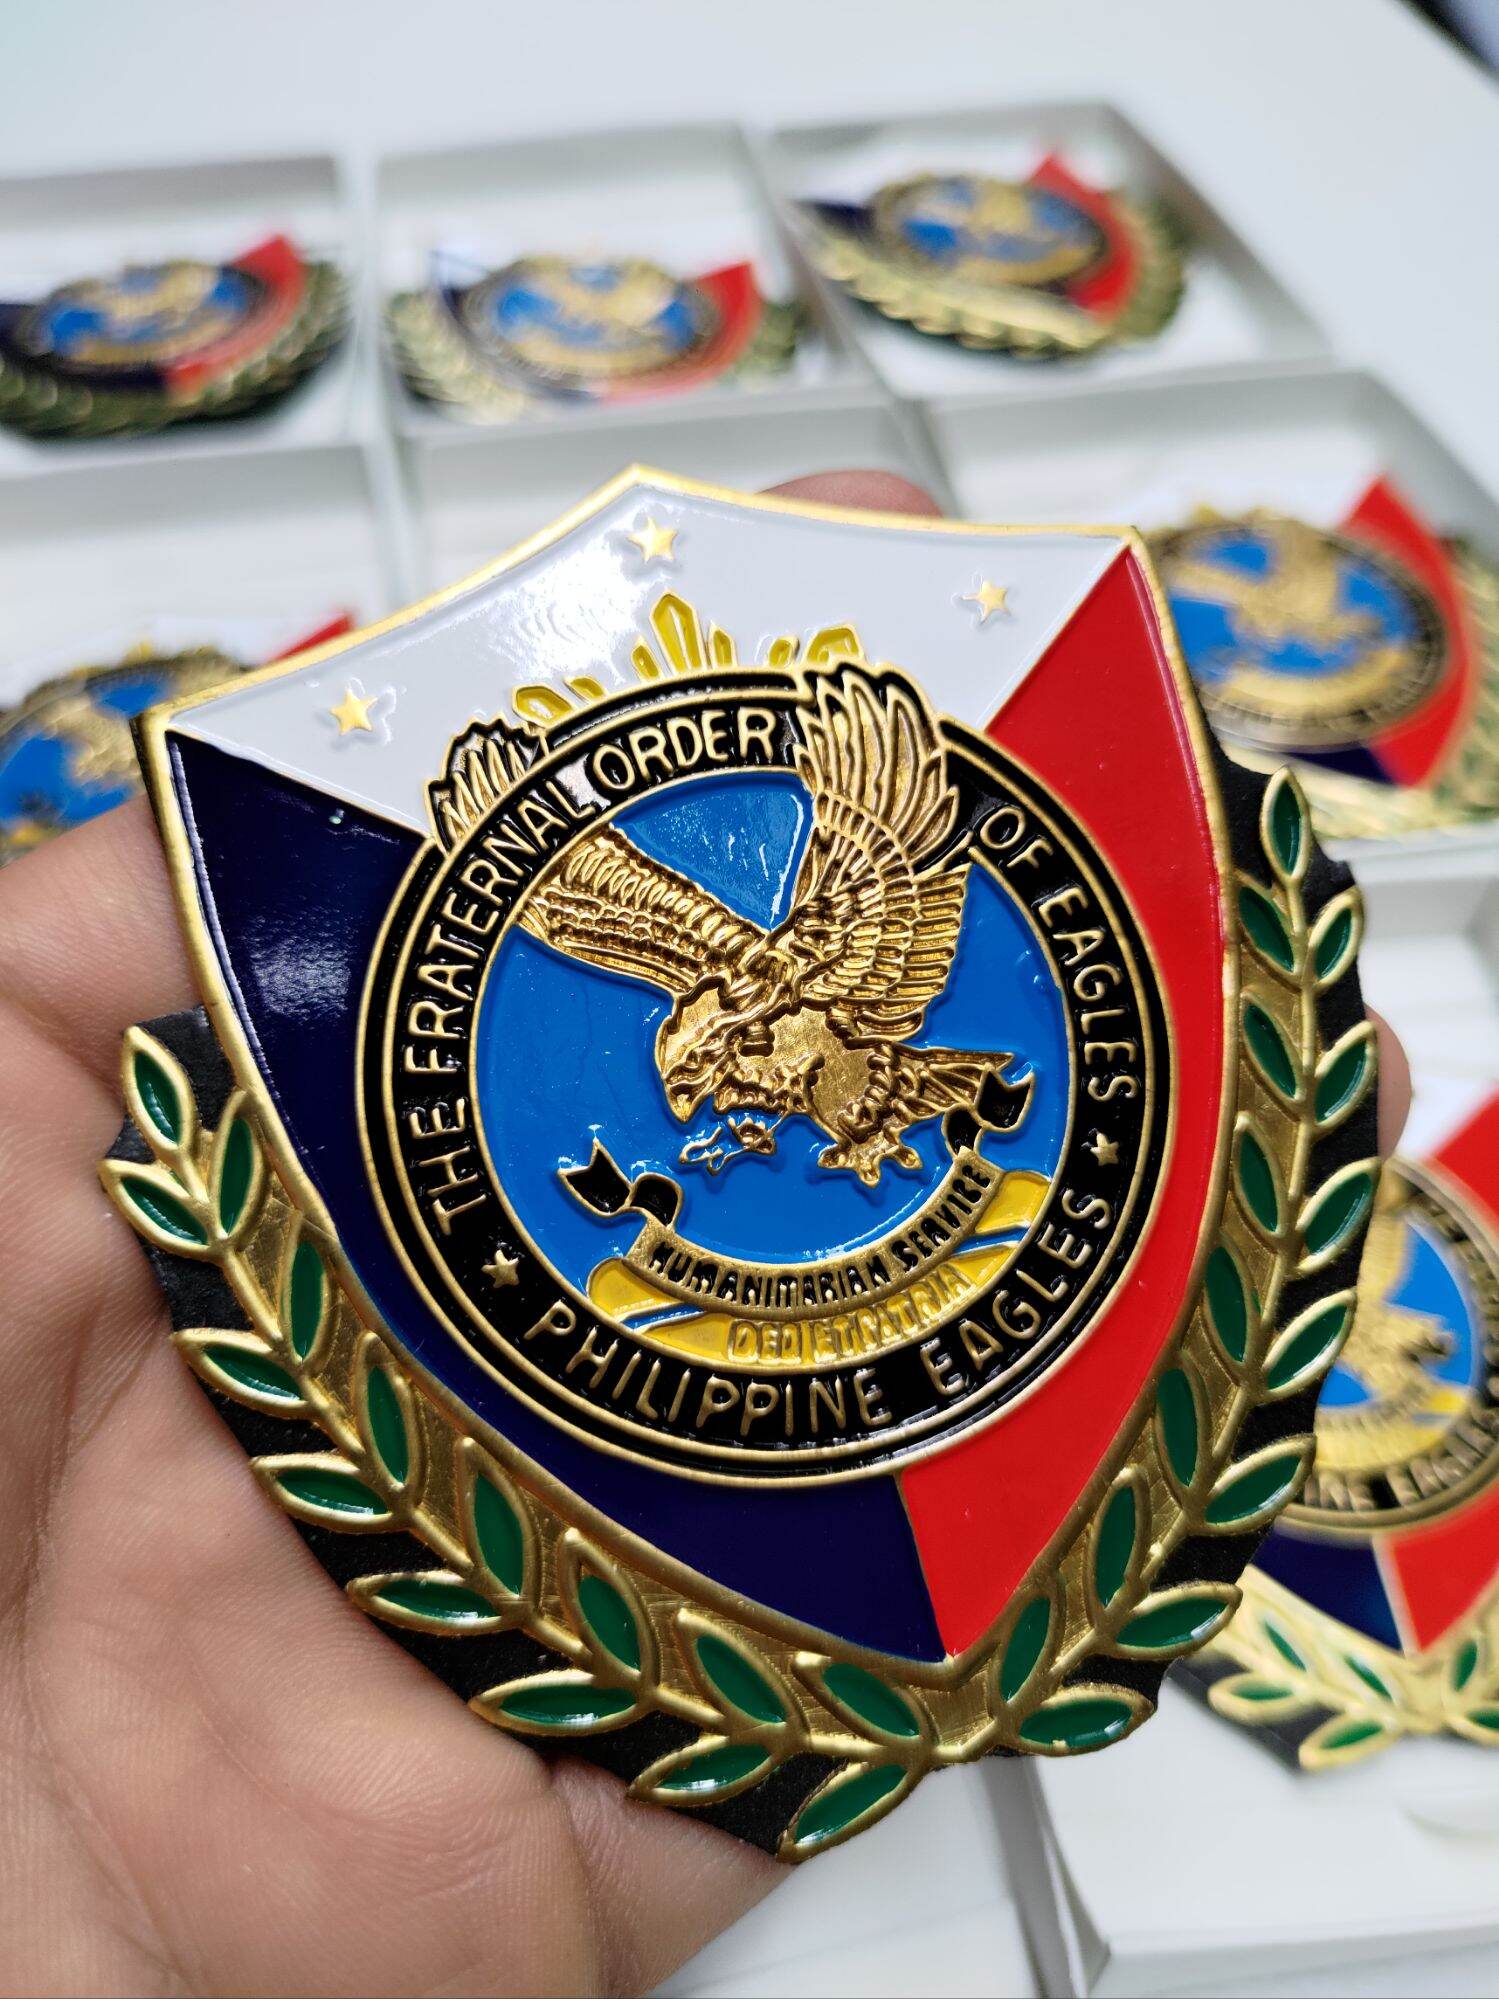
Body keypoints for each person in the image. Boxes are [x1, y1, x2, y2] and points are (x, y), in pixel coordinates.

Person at [0, 472, 1411, 1998]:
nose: (691, 1081)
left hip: (900, 1101)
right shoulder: (698, 1003)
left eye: (707, 1070)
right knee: (570, 925)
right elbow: (594, 923)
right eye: (700, 1076)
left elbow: (886, 846)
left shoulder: (819, 958)